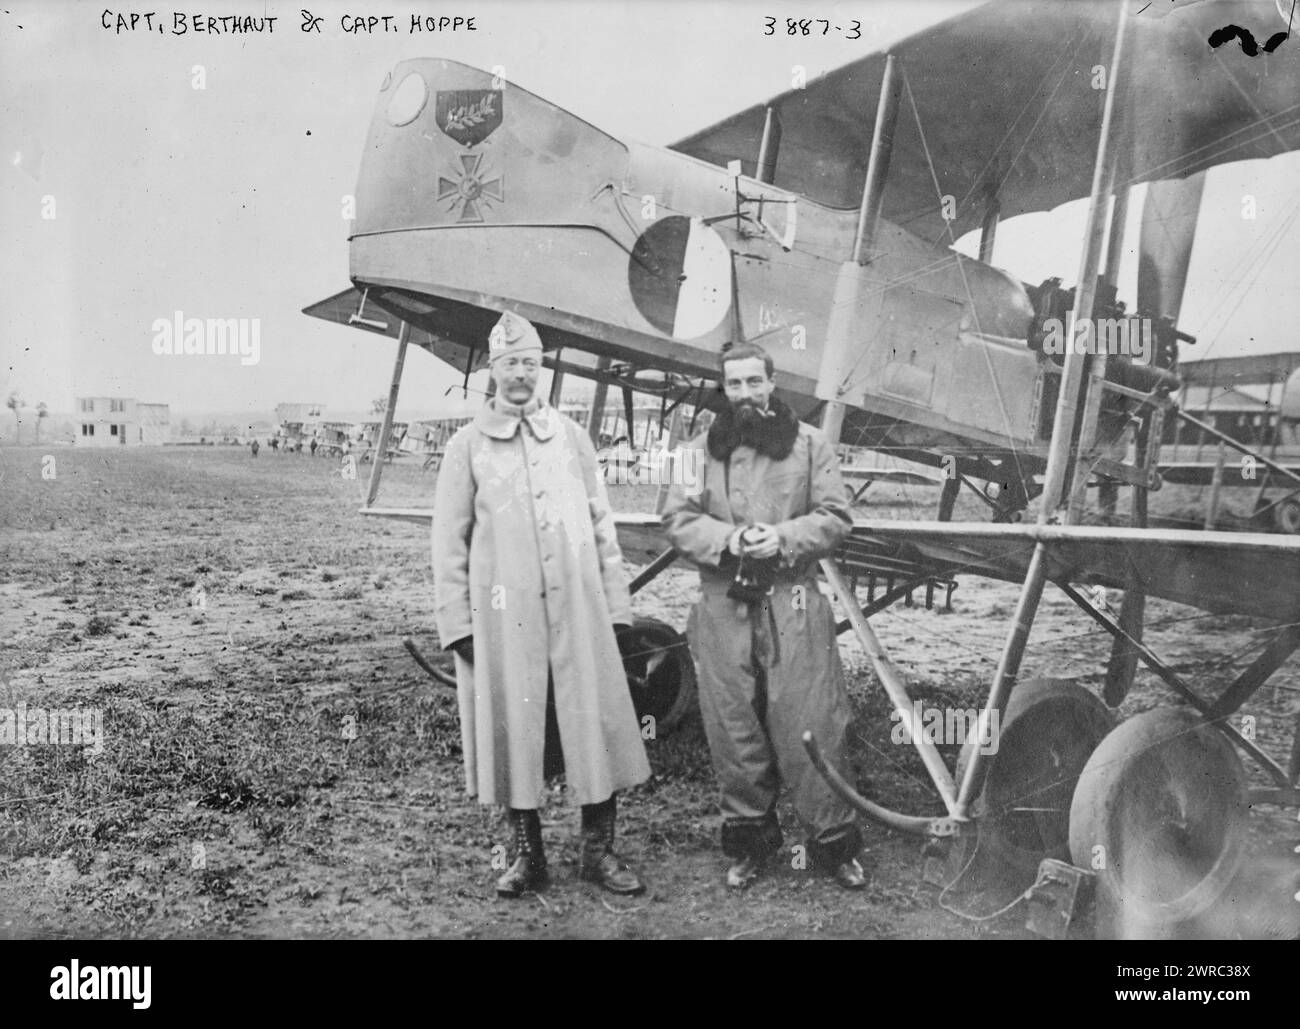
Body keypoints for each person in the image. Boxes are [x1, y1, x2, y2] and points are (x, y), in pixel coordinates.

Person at [432, 310, 650, 898]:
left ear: (543, 368)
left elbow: (602, 525)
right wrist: (457, 625)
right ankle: (528, 858)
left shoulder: (573, 439)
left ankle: (598, 854)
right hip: (505, 622)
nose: (521, 375)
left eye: (531, 363)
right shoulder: (466, 447)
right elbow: (448, 543)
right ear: (492, 370)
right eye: (510, 365)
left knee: (594, 729)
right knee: (515, 737)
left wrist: (617, 608)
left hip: (579, 617)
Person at [661, 343, 868, 891]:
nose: (747, 394)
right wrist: (729, 539)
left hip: (792, 600)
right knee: (733, 725)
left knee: (811, 718)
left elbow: (836, 516)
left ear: (772, 383)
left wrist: (781, 536)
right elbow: (676, 518)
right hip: (723, 602)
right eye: (735, 384)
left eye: (756, 382)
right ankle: (750, 842)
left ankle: (834, 844)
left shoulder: (810, 444)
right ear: (723, 389)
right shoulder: (695, 449)